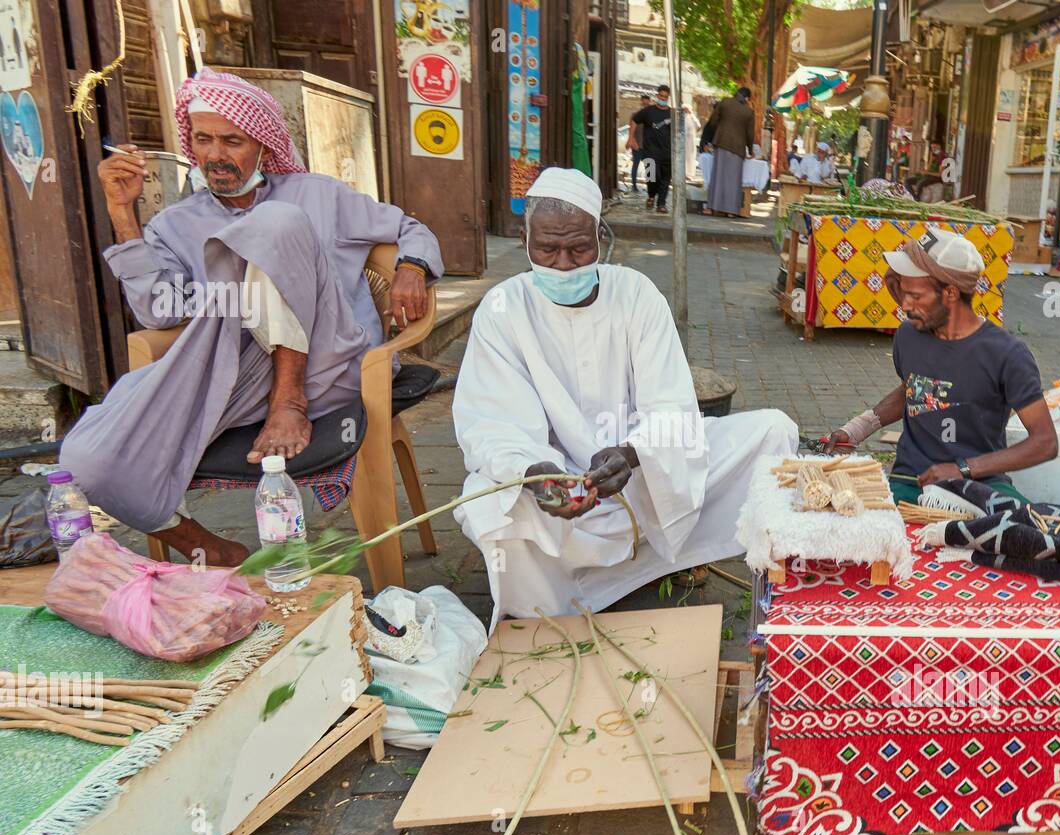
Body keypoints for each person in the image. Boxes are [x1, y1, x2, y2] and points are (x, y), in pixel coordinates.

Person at [59, 68, 442, 567]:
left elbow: (411, 228)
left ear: (262, 144)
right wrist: (122, 213)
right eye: (203, 140)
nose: (215, 154)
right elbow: (157, 310)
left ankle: (290, 400)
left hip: (333, 364)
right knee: (82, 459)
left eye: (231, 140)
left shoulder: (315, 195)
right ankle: (213, 548)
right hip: (234, 372)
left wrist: (412, 267)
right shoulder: (177, 223)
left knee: (274, 225)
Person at [453, 168, 797, 625]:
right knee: (485, 499)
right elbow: (492, 423)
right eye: (547, 249)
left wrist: (631, 453)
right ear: (524, 239)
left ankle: (665, 561)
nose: (562, 264)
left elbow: (671, 406)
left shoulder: (636, 294)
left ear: (600, 237)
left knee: (773, 432)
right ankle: (550, 601)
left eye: (578, 248)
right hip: (554, 486)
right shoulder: (502, 309)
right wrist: (535, 472)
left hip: (635, 472)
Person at [822, 230, 1057, 506]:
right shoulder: (909, 336)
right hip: (911, 482)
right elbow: (915, 389)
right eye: (904, 294)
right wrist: (855, 430)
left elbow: (1045, 442)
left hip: (980, 485)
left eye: (916, 296)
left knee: (1028, 528)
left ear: (950, 293)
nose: (905, 305)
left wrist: (963, 468)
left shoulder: (1007, 354)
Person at [702, 87, 754, 217]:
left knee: (717, 176)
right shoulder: (748, 112)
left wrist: (718, 133)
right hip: (738, 147)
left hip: (721, 143)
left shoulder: (724, 103)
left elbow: (713, 121)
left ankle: (712, 207)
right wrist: (750, 149)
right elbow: (750, 134)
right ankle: (731, 211)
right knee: (733, 180)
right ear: (747, 98)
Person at [630, 85, 673, 213]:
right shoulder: (648, 111)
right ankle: (651, 195)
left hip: (667, 153)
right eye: (661, 96)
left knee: (665, 179)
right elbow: (634, 120)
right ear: (657, 96)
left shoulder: (672, 113)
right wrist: (631, 138)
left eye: (666, 97)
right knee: (652, 177)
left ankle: (661, 204)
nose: (663, 98)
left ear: (668, 97)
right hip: (650, 152)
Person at [627, 93, 651, 194]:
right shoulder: (635, 115)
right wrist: (632, 141)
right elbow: (631, 129)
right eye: (643, 103)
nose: (645, 105)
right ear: (641, 102)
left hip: (648, 146)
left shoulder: (651, 116)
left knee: (650, 166)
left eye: (647, 104)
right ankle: (634, 185)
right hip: (637, 145)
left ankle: (651, 188)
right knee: (635, 165)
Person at [682, 104, 700, 180]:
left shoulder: (693, 118)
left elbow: (698, 126)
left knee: (691, 157)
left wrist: (691, 114)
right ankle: (682, 173)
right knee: (683, 157)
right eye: (686, 109)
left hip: (691, 141)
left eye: (688, 109)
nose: (687, 110)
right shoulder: (681, 117)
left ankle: (689, 174)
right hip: (682, 141)